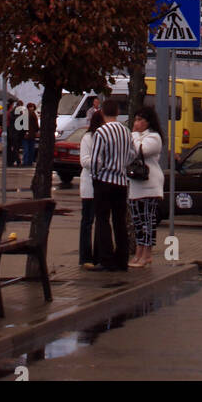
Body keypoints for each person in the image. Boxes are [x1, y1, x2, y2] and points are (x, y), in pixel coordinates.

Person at [89, 97, 133, 272]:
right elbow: (133, 154)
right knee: (119, 221)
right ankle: (122, 259)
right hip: (121, 182)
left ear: (101, 112)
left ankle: (106, 259)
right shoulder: (125, 131)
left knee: (103, 220)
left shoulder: (101, 132)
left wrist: (96, 174)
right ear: (118, 112)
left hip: (104, 180)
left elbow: (95, 160)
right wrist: (122, 165)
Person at [128, 106, 164, 269]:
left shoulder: (154, 137)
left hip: (150, 184)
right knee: (137, 220)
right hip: (136, 184)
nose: (137, 123)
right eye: (136, 119)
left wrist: (134, 135)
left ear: (148, 122)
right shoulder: (135, 136)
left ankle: (146, 253)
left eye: (140, 120)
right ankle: (138, 251)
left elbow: (139, 151)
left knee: (147, 219)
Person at [78, 110, 104, 269]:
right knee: (87, 222)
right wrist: (101, 162)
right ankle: (85, 257)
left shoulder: (104, 137)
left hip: (102, 184)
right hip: (89, 185)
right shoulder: (88, 138)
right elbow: (85, 161)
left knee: (101, 221)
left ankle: (98, 255)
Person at [23, 102, 40, 168]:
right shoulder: (33, 114)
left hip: (27, 134)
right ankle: (29, 162)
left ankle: (26, 162)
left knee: (27, 149)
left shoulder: (25, 114)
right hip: (31, 134)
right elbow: (36, 126)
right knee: (30, 149)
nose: (31, 108)